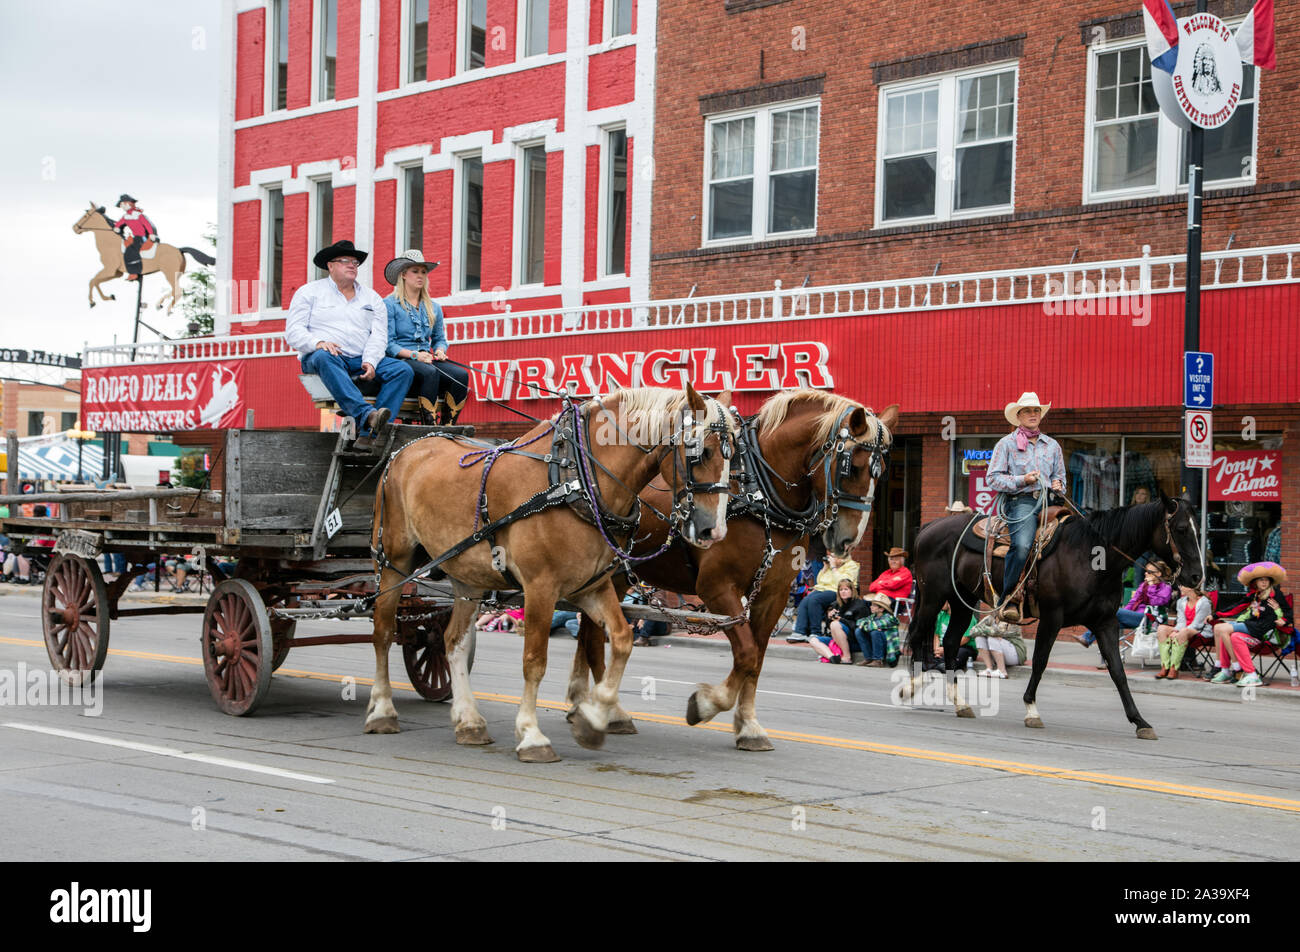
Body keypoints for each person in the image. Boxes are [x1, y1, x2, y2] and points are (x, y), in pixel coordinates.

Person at [286, 240, 413, 437]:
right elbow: (293, 331)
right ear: (330, 265)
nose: (352, 265)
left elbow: (379, 336)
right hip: (324, 358)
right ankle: (367, 416)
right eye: (345, 260)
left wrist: (370, 361)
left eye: (355, 262)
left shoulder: (372, 298)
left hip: (359, 358)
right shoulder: (309, 292)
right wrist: (318, 343)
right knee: (323, 356)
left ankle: (370, 436)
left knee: (402, 370)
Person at [986, 392, 1066, 623]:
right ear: (1018, 416)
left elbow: (1060, 478)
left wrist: (1060, 485)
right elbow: (993, 479)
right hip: (1022, 501)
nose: (1033, 414)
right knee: (1021, 546)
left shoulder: (1052, 446)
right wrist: (1023, 480)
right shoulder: (1006, 444)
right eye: (1028, 411)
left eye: (1036, 411)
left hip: (1051, 501)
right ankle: (1009, 595)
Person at [383, 250, 471, 425]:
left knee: (461, 375)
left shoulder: (434, 307)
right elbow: (388, 344)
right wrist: (415, 355)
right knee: (429, 373)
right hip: (402, 359)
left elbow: (439, 338)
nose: (420, 276)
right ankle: (428, 426)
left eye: (423, 272)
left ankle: (448, 426)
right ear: (403, 275)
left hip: (427, 358)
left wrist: (439, 350)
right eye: (415, 271)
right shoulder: (389, 304)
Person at [1208, 562, 1293, 687]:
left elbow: (1288, 611)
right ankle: (1227, 671)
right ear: (1255, 582)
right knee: (1232, 636)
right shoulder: (1254, 596)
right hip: (1252, 627)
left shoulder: (1275, 594)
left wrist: (1284, 620)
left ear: (1270, 582)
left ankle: (1237, 668)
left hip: (1262, 629)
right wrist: (1216, 615)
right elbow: (1236, 607)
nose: (1264, 582)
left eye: (1266, 580)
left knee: (1221, 628)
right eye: (1261, 580)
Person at [1079, 560, 1174, 649]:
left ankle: (1087, 638)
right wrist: (1126, 613)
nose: (1145, 573)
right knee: (1106, 623)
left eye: (1149, 572)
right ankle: (1104, 655)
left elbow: (1157, 602)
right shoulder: (1143, 585)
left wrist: (1151, 586)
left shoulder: (1166, 587)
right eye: (1145, 571)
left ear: (1158, 574)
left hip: (1151, 619)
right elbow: (1133, 602)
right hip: (1136, 617)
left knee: (1114, 612)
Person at [788, 552, 858, 643]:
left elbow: (843, 582)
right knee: (805, 600)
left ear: (840, 558)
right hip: (822, 589)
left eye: (832, 556)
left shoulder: (851, 565)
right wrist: (825, 568)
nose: (829, 558)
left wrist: (833, 567)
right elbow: (820, 580)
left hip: (837, 591)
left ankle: (816, 632)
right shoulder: (830, 566)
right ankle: (800, 631)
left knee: (815, 600)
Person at [1154, 583, 1212, 680]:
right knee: (1161, 629)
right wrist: (1176, 630)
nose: (1180, 587)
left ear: (1190, 588)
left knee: (1184, 631)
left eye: (1182, 585)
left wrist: (1178, 632)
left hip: (1200, 631)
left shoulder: (1204, 603)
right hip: (1184, 630)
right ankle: (1165, 666)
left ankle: (1174, 668)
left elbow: (1197, 624)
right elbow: (1181, 621)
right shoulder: (1181, 601)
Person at [810, 579, 866, 664]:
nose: (843, 592)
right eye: (841, 590)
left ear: (852, 591)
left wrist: (841, 620)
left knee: (835, 625)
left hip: (854, 641)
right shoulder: (836, 604)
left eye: (846, 589)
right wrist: (829, 618)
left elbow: (860, 628)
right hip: (837, 640)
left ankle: (847, 657)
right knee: (813, 640)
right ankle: (832, 657)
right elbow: (830, 628)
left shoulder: (859, 605)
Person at [110, 194, 158, 282]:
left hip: (142, 237)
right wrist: (116, 227)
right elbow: (119, 223)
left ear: (128, 203)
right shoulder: (126, 216)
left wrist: (151, 233)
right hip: (134, 237)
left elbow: (147, 224)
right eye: (121, 205)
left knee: (130, 251)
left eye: (123, 204)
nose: (122, 206)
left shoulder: (138, 215)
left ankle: (134, 272)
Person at [854, 593, 899, 666]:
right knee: (858, 631)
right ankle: (868, 658)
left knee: (875, 632)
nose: (871, 607)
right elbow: (859, 622)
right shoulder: (873, 617)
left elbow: (872, 626)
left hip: (888, 646)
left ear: (881, 609)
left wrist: (868, 626)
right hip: (877, 644)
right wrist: (867, 626)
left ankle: (878, 660)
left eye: (874, 605)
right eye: (871, 604)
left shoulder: (889, 618)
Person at [868, 547, 913, 611]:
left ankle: (876, 620)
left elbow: (893, 585)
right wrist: (888, 583)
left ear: (902, 561)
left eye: (896, 559)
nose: (893, 562)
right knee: (863, 604)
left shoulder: (905, 572)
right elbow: (871, 587)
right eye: (891, 559)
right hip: (879, 598)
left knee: (874, 605)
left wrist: (881, 582)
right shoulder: (886, 573)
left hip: (895, 602)